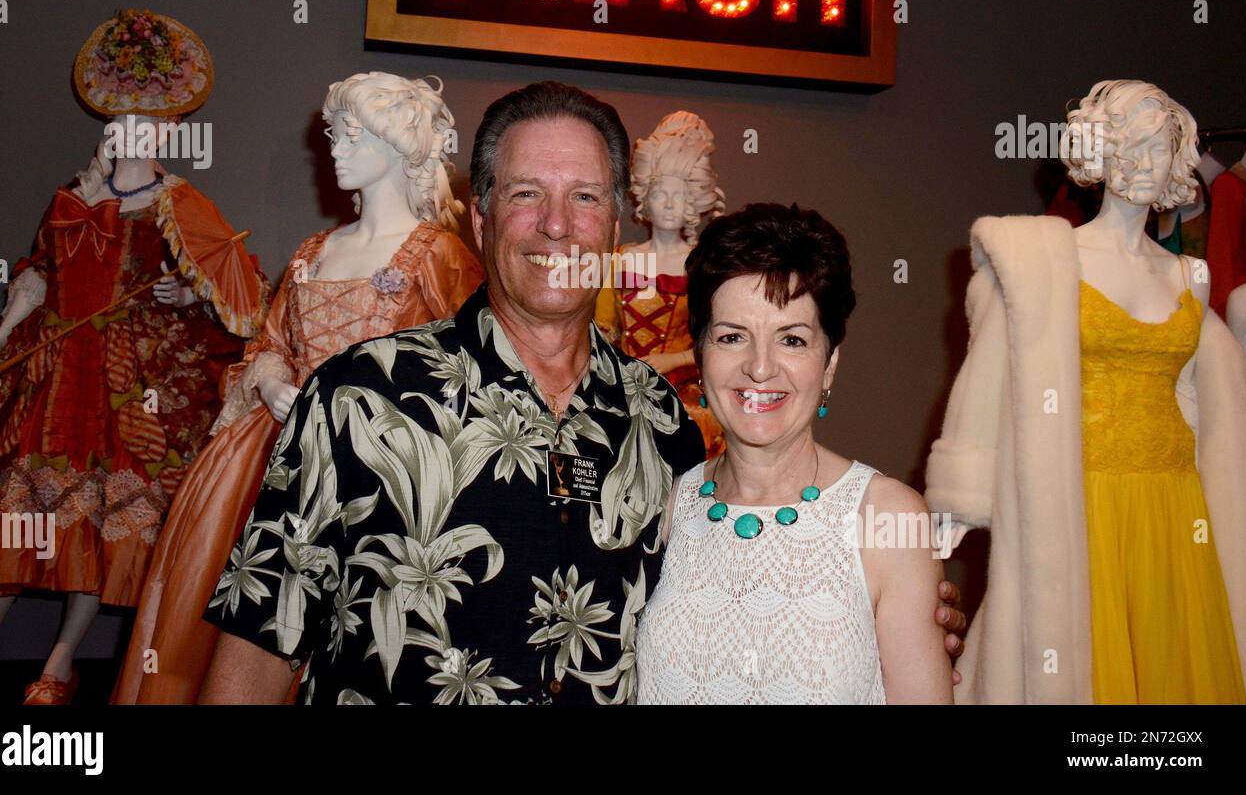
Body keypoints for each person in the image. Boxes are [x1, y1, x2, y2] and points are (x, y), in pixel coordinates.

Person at [197, 80, 967, 704]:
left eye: (588, 198)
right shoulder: (359, 399)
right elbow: (256, 651)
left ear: (616, 227)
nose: (558, 226)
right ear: (480, 213)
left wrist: (891, 614)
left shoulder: (663, 426)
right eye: (528, 192)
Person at [111, 72, 483, 704]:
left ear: (397, 145)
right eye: (334, 133)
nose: (335, 148)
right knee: (240, 621)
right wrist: (273, 382)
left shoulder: (438, 255)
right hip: (274, 461)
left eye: (352, 135)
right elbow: (269, 343)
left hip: (378, 476)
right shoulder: (315, 250)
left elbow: (469, 365)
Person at [0, 9, 254, 705]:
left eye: (153, 120)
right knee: (15, 509)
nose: (140, 130)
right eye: (128, 118)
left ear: (169, 128)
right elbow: (39, 273)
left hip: (127, 376)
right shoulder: (73, 193)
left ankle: (59, 661)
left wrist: (187, 293)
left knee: (102, 518)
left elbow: (228, 284)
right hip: (56, 376)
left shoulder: (179, 202)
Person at [926, 80, 1246, 703]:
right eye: (1128, 144)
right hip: (1081, 500)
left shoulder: (1191, 275)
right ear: (1098, 154)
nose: (1142, 162)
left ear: (1179, 162)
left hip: (1178, 506)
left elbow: (1192, 394)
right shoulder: (1044, 259)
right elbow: (989, 375)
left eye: (1159, 148)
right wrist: (958, 504)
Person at [635, 203, 953, 703]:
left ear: (828, 365)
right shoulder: (667, 504)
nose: (760, 368)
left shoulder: (888, 519)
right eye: (733, 337)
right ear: (700, 355)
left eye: (792, 340)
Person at [595, 110, 727, 457]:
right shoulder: (619, 259)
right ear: (643, 198)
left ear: (694, 201)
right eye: (659, 193)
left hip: (689, 408)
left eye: (678, 194)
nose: (668, 204)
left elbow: (726, 341)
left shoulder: (707, 265)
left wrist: (675, 360)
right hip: (623, 401)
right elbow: (601, 334)